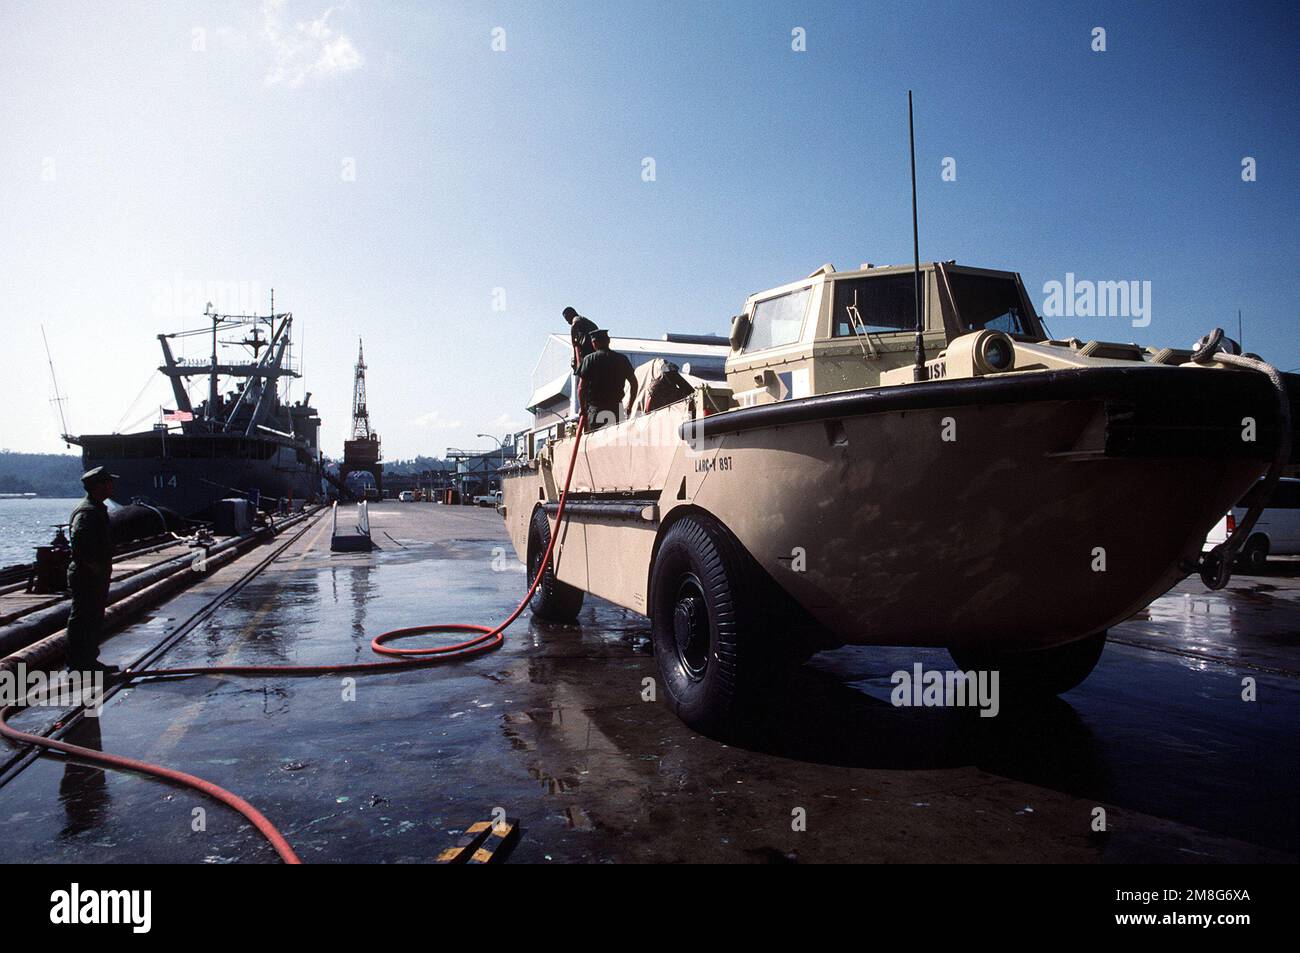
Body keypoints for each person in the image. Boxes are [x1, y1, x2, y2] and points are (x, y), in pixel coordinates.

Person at [65, 467, 119, 676]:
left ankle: (88, 661)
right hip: (87, 574)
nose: (112, 486)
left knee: (92, 617)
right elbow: (79, 540)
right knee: (83, 619)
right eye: (108, 483)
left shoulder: (96, 508)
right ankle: (79, 665)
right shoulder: (88, 511)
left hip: (93, 573)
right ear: (98, 486)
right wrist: (94, 566)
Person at [576, 329, 638, 429]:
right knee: (616, 442)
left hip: (596, 410)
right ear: (608, 341)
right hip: (616, 410)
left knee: (597, 442)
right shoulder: (622, 359)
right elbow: (634, 383)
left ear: (594, 342)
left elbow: (581, 388)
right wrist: (630, 405)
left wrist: (582, 409)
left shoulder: (589, 359)